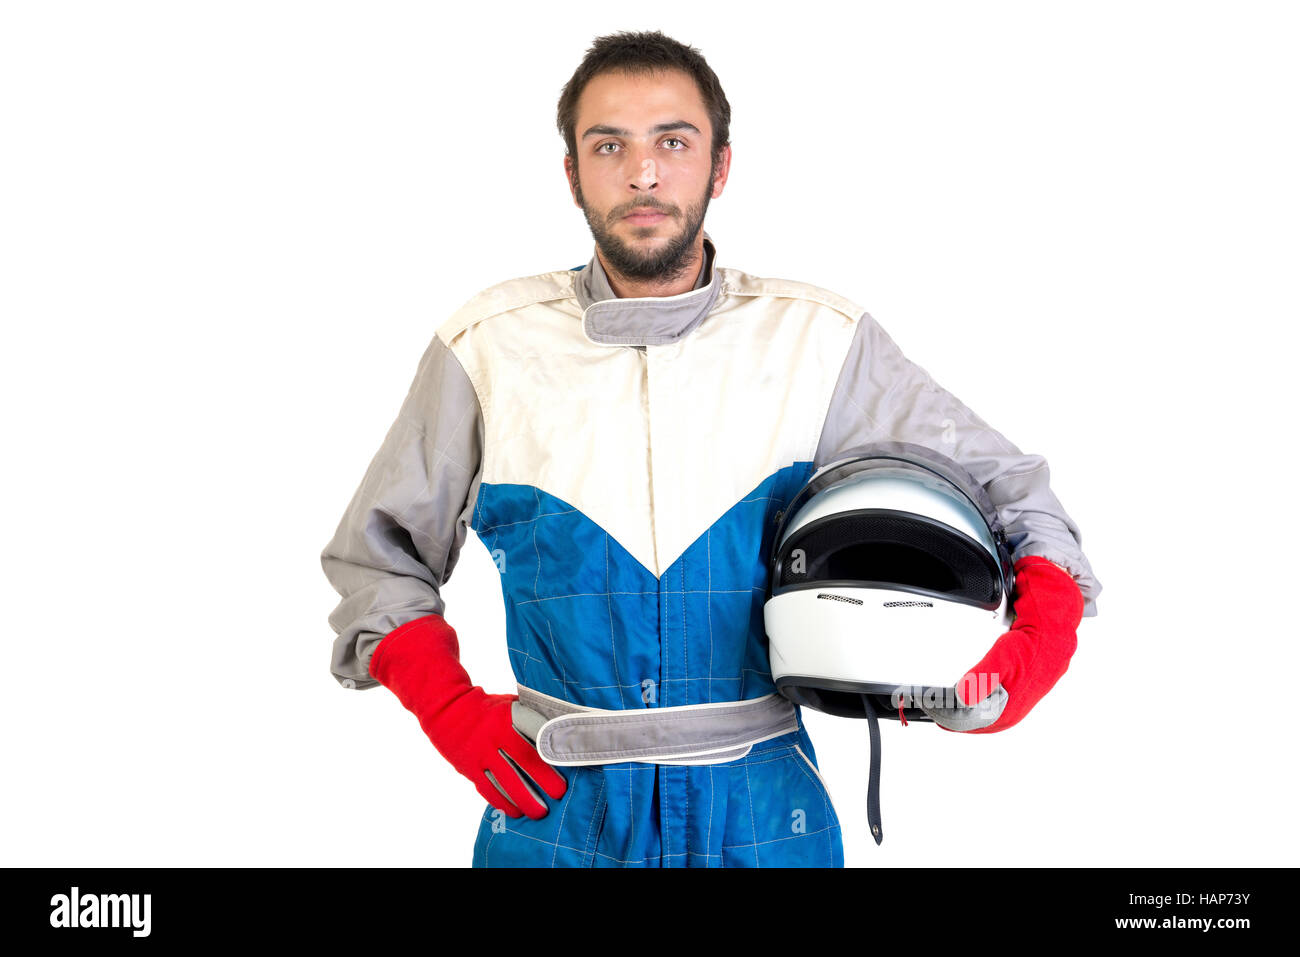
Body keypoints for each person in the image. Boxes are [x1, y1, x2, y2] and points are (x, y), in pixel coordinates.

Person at [320, 30, 1101, 868]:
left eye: (673, 142)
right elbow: (378, 556)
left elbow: (1013, 494)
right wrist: (449, 707)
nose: (643, 173)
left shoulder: (819, 343)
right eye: (608, 144)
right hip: (553, 816)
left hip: (766, 818)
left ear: (720, 167)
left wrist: (1031, 652)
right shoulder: (487, 345)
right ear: (572, 173)